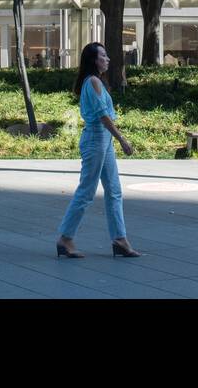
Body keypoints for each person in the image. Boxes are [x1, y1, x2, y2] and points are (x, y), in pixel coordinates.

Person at [55, 42, 140, 258]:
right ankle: (65, 238)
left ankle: (120, 239)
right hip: (95, 139)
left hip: (103, 140)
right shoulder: (92, 82)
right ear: (94, 60)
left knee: (114, 190)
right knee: (86, 191)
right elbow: (103, 116)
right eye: (103, 55)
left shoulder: (96, 81)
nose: (108, 59)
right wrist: (122, 139)